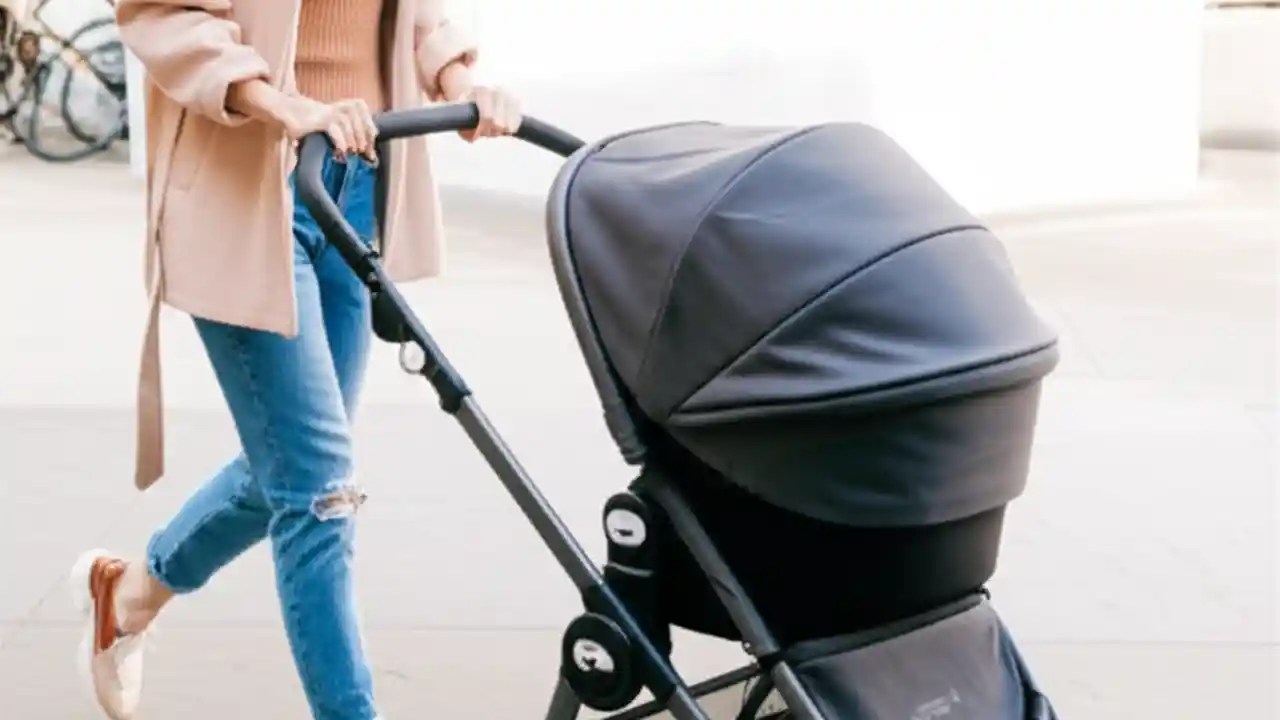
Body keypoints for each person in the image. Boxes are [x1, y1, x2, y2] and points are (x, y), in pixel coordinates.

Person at [66, 1, 521, 718]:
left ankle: (127, 593)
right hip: (249, 182)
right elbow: (161, 12)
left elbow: (414, 15)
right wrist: (281, 102)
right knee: (320, 487)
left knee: (295, 463)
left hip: (359, 178)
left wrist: (462, 77)